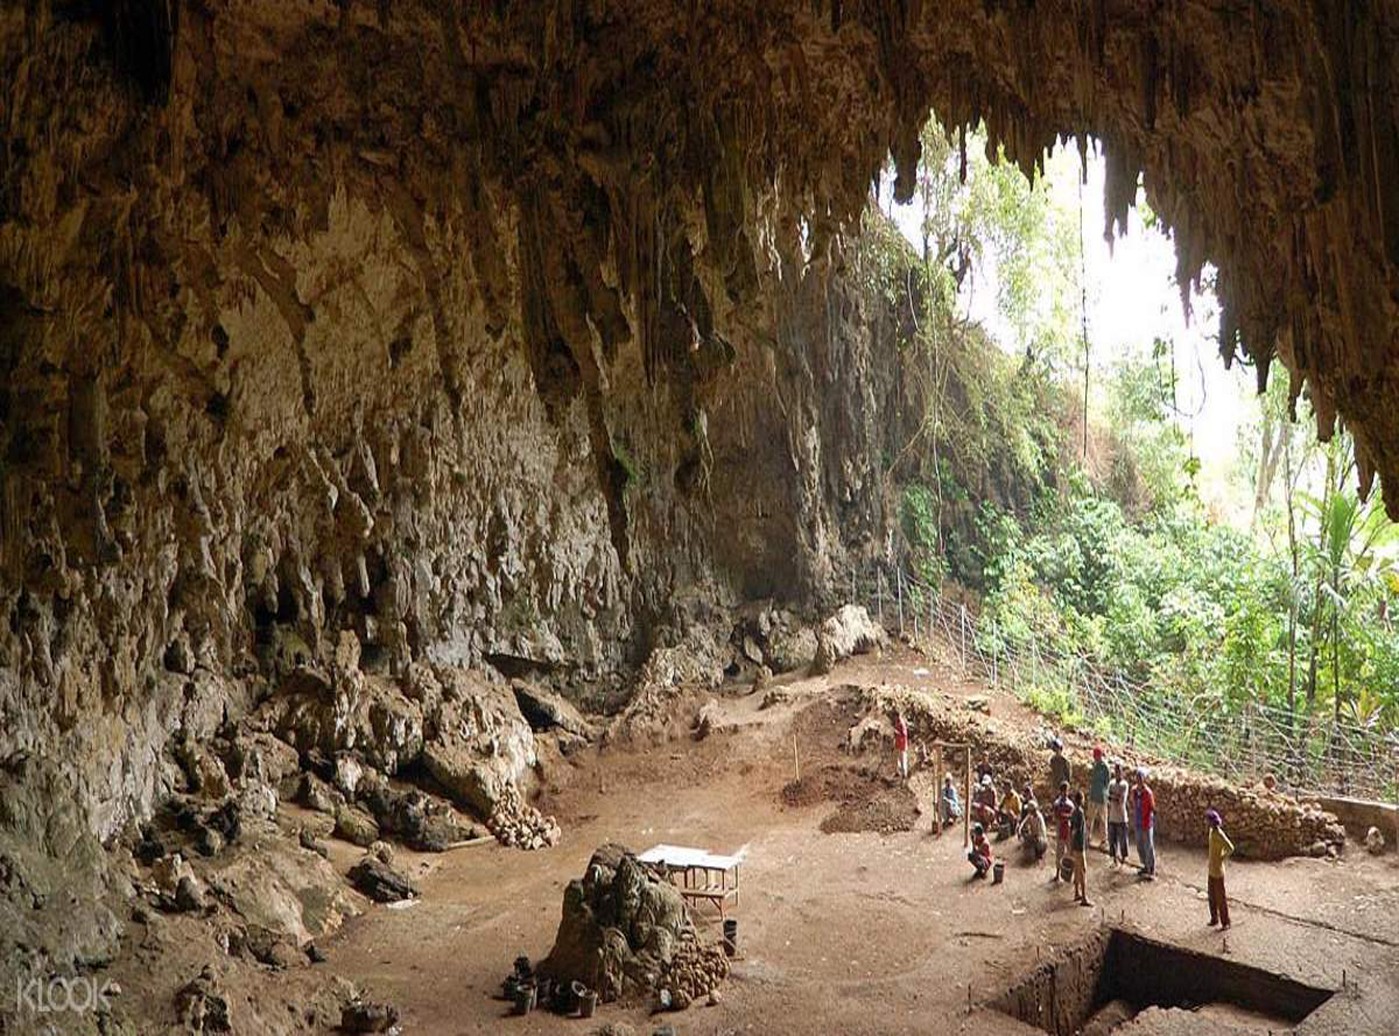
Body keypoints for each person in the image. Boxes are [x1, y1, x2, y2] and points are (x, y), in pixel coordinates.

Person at [1206, 809, 1234, 928]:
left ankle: (1225, 922)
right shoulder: (1211, 832)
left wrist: (1222, 857)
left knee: (1220, 898)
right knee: (1211, 896)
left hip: (1217, 871)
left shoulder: (1219, 834)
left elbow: (1230, 847)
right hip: (1211, 869)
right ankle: (1214, 918)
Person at [1133, 768, 1156, 879]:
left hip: (1146, 823)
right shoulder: (1135, 791)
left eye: (1140, 778)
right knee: (1139, 845)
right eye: (1137, 778)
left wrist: (1148, 818)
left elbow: (1152, 808)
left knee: (1148, 846)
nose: (1139, 781)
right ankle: (1145, 865)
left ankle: (1150, 868)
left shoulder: (1148, 793)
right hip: (1138, 822)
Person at [1070, 790, 1092, 906]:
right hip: (1079, 846)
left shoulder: (1074, 812)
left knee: (1077, 870)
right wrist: (1072, 844)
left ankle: (1076, 893)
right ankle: (1083, 897)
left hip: (1076, 845)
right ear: (1082, 800)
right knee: (1083, 870)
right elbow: (1074, 831)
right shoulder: (1079, 813)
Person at [1106, 762, 1130, 866]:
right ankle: (1115, 860)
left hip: (1121, 817)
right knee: (1112, 840)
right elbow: (1109, 797)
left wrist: (1113, 797)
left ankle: (1123, 859)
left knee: (1123, 840)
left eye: (1119, 771)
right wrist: (1114, 797)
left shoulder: (1124, 785)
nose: (1117, 773)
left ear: (1122, 773)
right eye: (1116, 771)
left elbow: (1120, 800)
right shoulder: (1111, 783)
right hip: (1112, 816)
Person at [1052, 781, 1074, 883]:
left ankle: (1069, 873)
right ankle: (1057, 873)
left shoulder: (1069, 804)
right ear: (1060, 791)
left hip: (1067, 830)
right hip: (1061, 829)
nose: (1065, 793)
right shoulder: (1058, 803)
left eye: (1066, 791)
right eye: (1063, 791)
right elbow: (1057, 816)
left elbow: (1064, 816)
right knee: (1059, 852)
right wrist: (1067, 816)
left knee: (1069, 852)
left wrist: (1064, 816)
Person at [1088, 747, 1110, 848]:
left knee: (1103, 819)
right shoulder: (1095, 766)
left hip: (1101, 796)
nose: (1095, 758)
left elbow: (1107, 782)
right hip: (1093, 795)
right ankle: (1088, 837)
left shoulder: (1105, 767)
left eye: (1096, 756)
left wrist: (1104, 793)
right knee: (1090, 818)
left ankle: (1104, 840)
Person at [893, 713, 910, 780]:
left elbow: (904, 734)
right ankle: (897, 772)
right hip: (897, 744)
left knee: (903, 759)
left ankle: (904, 774)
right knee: (896, 759)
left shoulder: (902, 724)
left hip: (902, 745)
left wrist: (897, 733)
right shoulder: (897, 723)